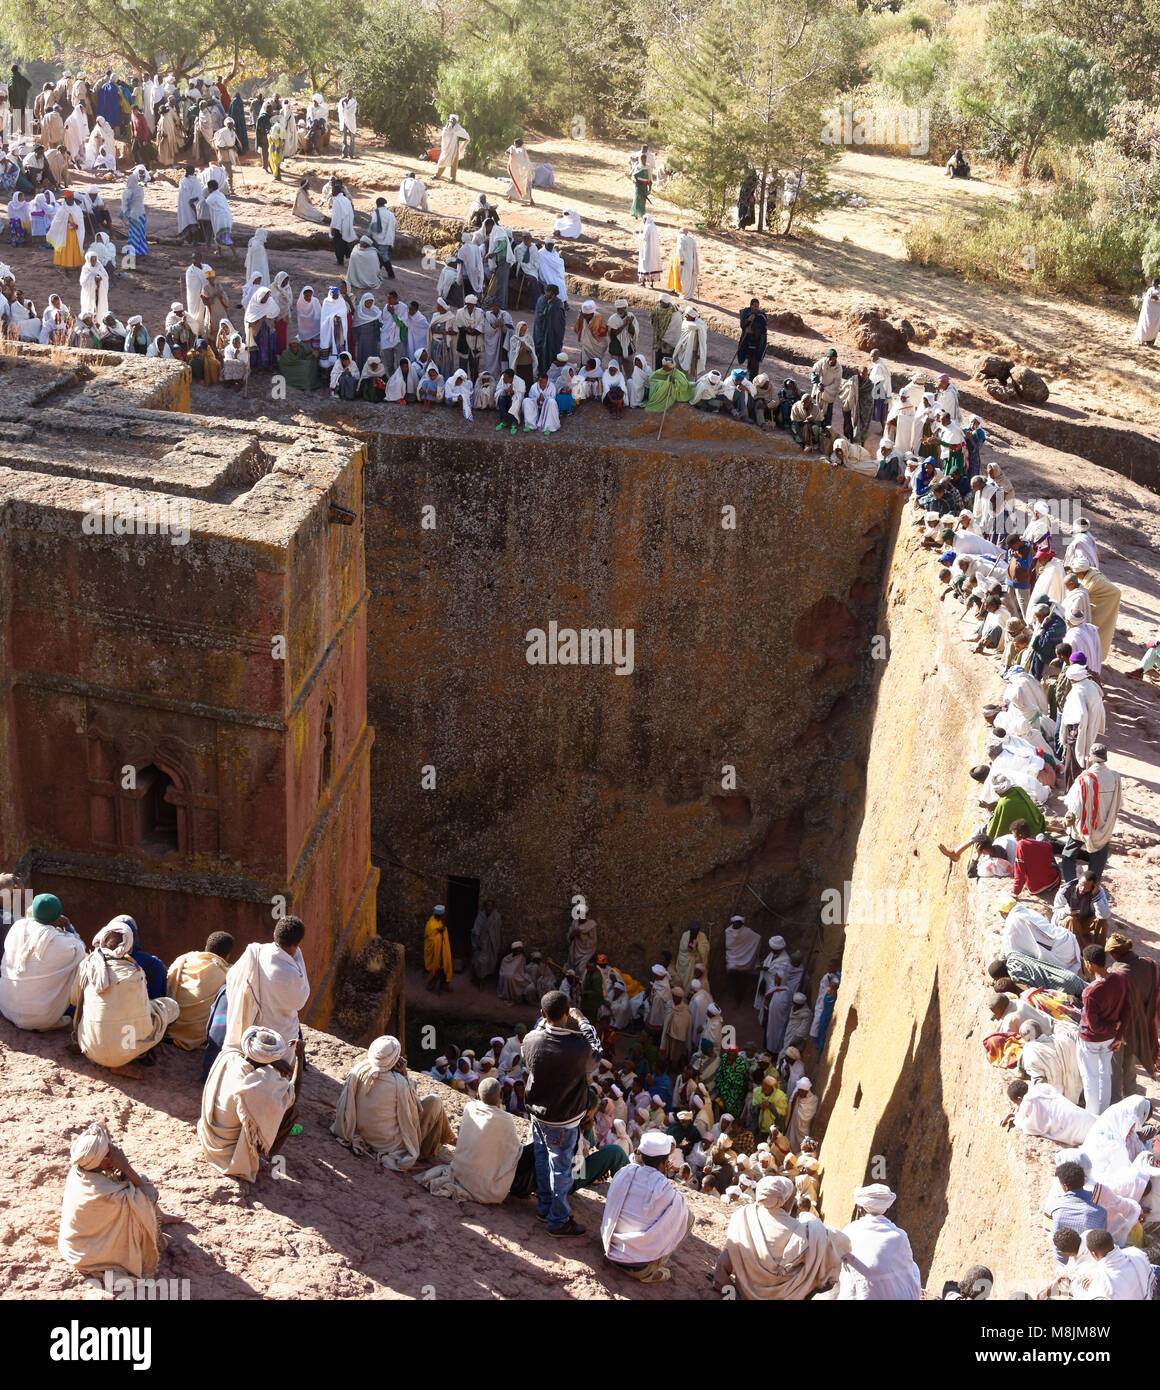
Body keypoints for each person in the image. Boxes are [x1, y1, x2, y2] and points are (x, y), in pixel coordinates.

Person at [522, 989, 601, 1236]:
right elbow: (597, 1050)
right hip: (564, 1119)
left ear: (543, 1014)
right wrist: (584, 1021)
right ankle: (558, 1220)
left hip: (538, 1113)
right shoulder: (578, 1049)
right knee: (561, 1168)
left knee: (542, 1158)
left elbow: (535, 1038)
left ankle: (544, 1207)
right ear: (568, 1014)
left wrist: (545, 1020)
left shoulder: (530, 1039)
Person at [58, 1122, 174, 1278]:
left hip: (78, 1243)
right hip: (90, 1254)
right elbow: (149, 1195)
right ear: (100, 1161)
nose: (116, 1151)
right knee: (140, 1195)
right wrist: (125, 1166)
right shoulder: (108, 1195)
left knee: (134, 1184)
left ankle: (161, 1217)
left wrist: (120, 1165)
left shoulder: (80, 1169)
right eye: (110, 1152)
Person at [713, 1174, 849, 1299]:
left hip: (745, 1293)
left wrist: (726, 1288)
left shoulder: (743, 1216)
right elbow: (838, 1249)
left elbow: (725, 1260)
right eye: (792, 1197)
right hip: (786, 1295)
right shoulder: (805, 1232)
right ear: (785, 1200)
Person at [332, 1033, 454, 1170]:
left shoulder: (359, 1069)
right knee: (434, 1101)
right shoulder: (399, 1083)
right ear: (394, 1058)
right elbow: (413, 1114)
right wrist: (404, 1074)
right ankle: (445, 1139)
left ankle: (448, 1136)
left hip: (359, 1130)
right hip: (388, 1144)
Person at [199, 1025, 297, 1181]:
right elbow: (294, 1096)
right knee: (291, 1111)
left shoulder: (229, 1056)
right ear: (272, 1058)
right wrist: (300, 1055)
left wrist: (272, 1062)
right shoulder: (260, 1082)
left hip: (211, 1137)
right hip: (228, 1154)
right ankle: (265, 1153)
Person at [600, 1131, 692, 1283]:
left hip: (610, 1249)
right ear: (665, 1161)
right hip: (638, 1266)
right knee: (686, 1216)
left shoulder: (625, 1172)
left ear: (641, 1155)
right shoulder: (667, 1191)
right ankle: (651, 1268)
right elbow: (677, 1212)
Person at [223, 916, 309, 1067]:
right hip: (280, 1033)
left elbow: (231, 976)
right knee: (279, 1074)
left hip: (252, 1026)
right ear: (296, 943)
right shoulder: (291, 973)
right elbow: (300, 1002)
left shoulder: (256, 951)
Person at [419, 1076, 522, 1202]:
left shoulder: (470, 1107)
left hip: (460, 1174)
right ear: (501, 1095)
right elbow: (515, 1153)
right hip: (485, 1190)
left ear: (478, 1096)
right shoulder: (506, 1120)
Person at [0, 892, 87, 1031]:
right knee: (79, 965)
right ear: (59, 916)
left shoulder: (17, 927)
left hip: (6, 1008)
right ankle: (48, 1022)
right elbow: (82, 951)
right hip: (42, 1019)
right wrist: (69, 927)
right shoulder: (63, 944)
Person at [836, 1183, 921, 1299]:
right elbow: (907, 1273)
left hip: (860, 1295)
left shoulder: (848, 1232)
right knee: (913, 1268)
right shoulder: (900, 1236)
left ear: (860, 1210)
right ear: (886, 1211)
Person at [1077, 945, 1129, 1115]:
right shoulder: (1120, 979)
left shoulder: (1090, 993)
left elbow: (1094, 1026)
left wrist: (1113, 1028)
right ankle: (1103, 1114)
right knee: (1105, 1075)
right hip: (1110, 1040)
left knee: (1090, 1079)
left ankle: (1091, 1117)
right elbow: (1127, 1009)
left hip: (1090, 1041)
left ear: (1089, 963)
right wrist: (1118, 1035)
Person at [166, 932, 234, 1049]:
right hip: (198, 1038)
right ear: (228, 955)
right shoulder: (229, 974)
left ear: (206, 948)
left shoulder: (185, 959)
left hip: (170, 1031)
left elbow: (168, 984)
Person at [424, 903, 452, 993]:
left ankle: (444, 985)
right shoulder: (431, 924)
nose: (441, 918)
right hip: (435, 951)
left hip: (441, 950)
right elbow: (430, 938)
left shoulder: (438, 922)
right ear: (437, 915)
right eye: (440, 916)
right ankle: (431, 986)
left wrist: (441, 932)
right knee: (436, 969)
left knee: (445, 967)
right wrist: (439, 933)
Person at [433, 114, 469, 181]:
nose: (452, 120)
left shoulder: (458, 128)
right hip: (446, 149)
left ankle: (452, 178)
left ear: (456, 121)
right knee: (443, 160)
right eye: (451, 119)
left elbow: (466, 136)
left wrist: (459, 143)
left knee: (454, 163)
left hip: (454, 148)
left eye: (454, 119)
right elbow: (444, 136)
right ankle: (437, 175)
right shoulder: (446, 128)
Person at [667, 226, 699, 298]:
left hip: (680, 260)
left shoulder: (680, 238)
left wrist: (681, 259)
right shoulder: (691, 239)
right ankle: (679, 290)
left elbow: (679, 249)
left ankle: (677, 290)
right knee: (685, 276)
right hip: (690, 261)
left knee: (677, 274)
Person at [506, 137, 534, 205]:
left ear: (517, 144)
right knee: (514, 183)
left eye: (514, 143)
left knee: (525, 186)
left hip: (523, 171)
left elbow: (509, 153)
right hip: (522, 170)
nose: (513, 144)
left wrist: (511, 150)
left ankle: (532, 201)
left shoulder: (518, 150)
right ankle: (510, 197)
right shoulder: (521, 149)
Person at [1133, 277, 1160, 347]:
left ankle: (1150, 342)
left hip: (1156, 313)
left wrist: (1157, 299)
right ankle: (1141, 340)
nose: (1154, 286)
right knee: (1144, 325)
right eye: (1153, 284)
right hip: (1147, 311)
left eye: (1155, 284)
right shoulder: (1150, 289)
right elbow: (1147, 299)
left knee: (1153, 328)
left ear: (1158, 283)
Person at [337, 91, 357, 159]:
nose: (350, 95)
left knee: (352, 139)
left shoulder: (354, 102)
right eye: (348, 94)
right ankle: (344, 154)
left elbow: (352, 112)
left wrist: (345, 110)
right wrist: (343, 103)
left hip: (351, 121)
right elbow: (340, 111)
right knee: (344, 138)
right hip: (344, 121)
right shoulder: (341, 101)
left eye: (351, 94)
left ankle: (351, 154)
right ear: (346, 94)